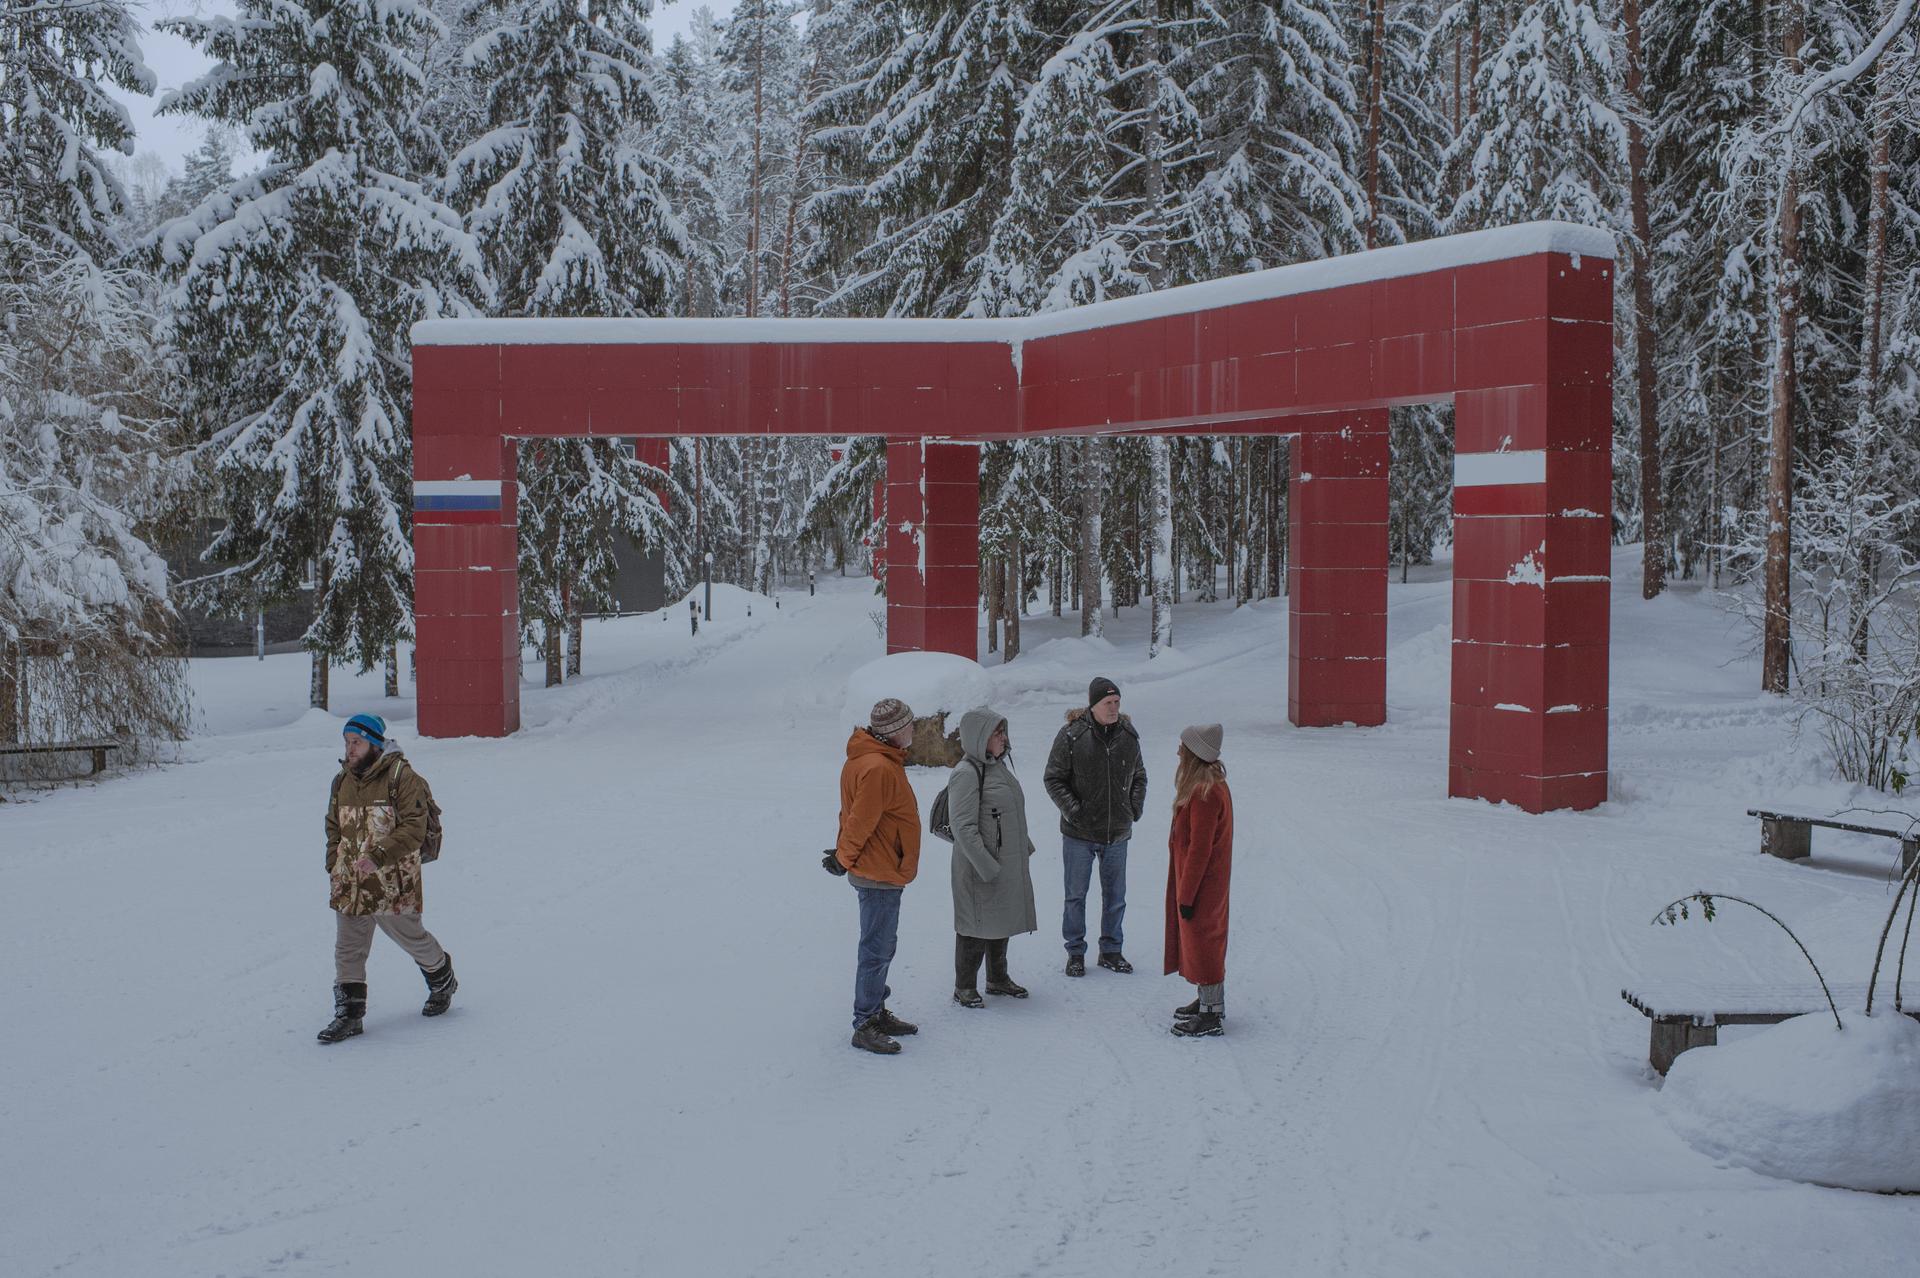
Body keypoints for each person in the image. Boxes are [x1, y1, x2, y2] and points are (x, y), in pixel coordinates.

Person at [318, 714, 457, 1044]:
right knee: (348, 947)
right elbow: (333, 826)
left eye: (357, 742)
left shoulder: (402, 778)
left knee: (411, 938)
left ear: (375, 743)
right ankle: (349, 1015)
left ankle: (442, 978)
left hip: (391, 880)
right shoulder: (342, 781)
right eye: (347, 742)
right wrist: (333, 861)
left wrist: (378, 857)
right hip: (350, 880)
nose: (350, 749)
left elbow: (414, 827)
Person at [836, 698, 923, 1054]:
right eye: (910, 725)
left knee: (882, 945)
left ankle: (876, 1009)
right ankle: (865, 1022)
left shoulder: (875, 760)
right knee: (876, 948)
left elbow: (853, 813)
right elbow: (859, 820)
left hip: (881, 865)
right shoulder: (878, 767)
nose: (914, 730)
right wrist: (844, 857)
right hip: (877, 870)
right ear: (895, 731)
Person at [1044, 676, 1147, 976]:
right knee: (1075, 895)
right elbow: (1053, 778)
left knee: (1115, 897)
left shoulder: (1128, 735)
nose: (1113, 708)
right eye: (1107, 703)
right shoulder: (1071, 735)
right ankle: (1075, 952)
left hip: (1117, 833)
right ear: (1093, 705)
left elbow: (1140, 776)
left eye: (1117, 702)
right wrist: (1074, 811)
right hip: (1079, 834)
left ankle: (1111, 950)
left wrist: (1133, 808)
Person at [947, 707, 1038, 1009]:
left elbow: (1005, 813)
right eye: (996, 733)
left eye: (1003, 731)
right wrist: (986, 865)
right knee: (974, 924)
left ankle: (997, 979)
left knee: (1001, 918)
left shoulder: (997, 767)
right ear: (979, 737)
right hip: (979, 866)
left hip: (1004, 861)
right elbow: (963, 826)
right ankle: (964, 987)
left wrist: (1023, 846)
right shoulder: (966, 773)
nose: (1003, 737)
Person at [1164, 724, 1233, 1038]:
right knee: (1202, 943)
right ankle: (1207, 1000)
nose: (1179, 752)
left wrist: (1187, 895)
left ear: (1195, 754)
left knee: (1205, 943)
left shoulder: (1205, 792)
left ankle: (1211, 1013)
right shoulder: (1208, 785)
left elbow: (1199, 850)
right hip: (1205, 884)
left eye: (1183, 747)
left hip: (1202, 886)